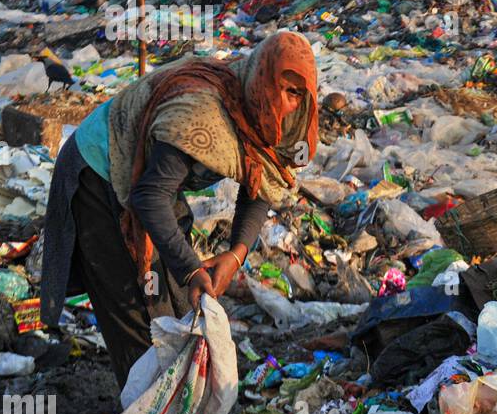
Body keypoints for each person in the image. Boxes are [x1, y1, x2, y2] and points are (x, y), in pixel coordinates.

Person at [41, 30, 319, 385]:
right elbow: (148, 196)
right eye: (286, 89)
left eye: (298, 92)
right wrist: (190, 268)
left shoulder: (283, 112)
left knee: (183, 304)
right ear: (263, 77)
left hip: (152, 180)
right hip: (103, 168)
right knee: (137, 308)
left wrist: (236, 254)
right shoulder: (201, 113)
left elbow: (262, 180)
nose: (290, 103)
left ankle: (181, 404)